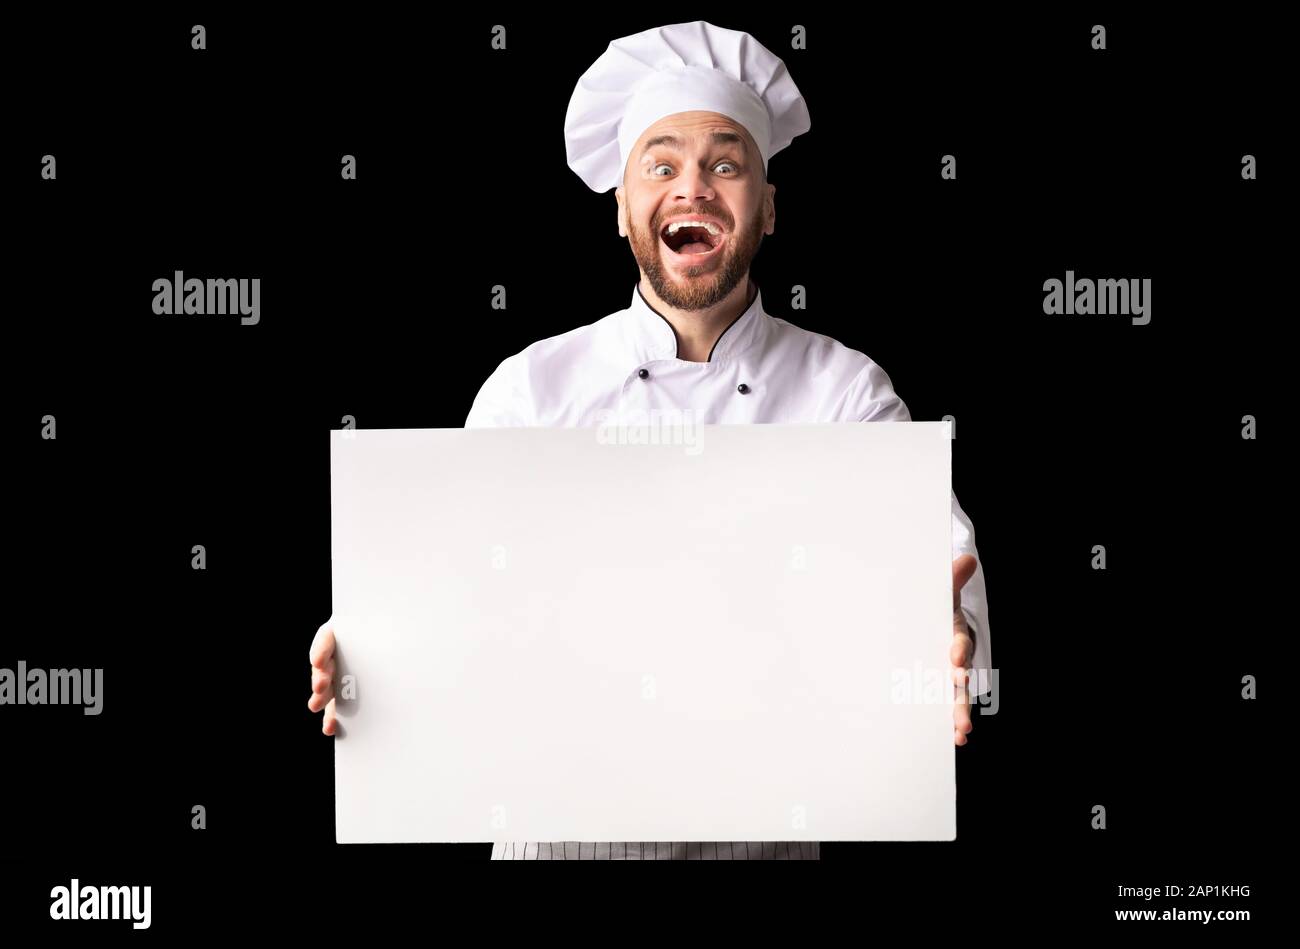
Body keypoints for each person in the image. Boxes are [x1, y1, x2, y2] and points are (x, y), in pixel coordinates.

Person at [309, 20, 992, 860]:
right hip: (556, 841)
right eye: (660, 166)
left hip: (768, 840)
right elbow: (442, 586)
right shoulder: (530, 388)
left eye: (726, 164)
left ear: (769, 208)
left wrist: (943, 639)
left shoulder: (844, 389)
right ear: (624, 212)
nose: (693, 188)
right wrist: (369, 649)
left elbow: (936, 570)